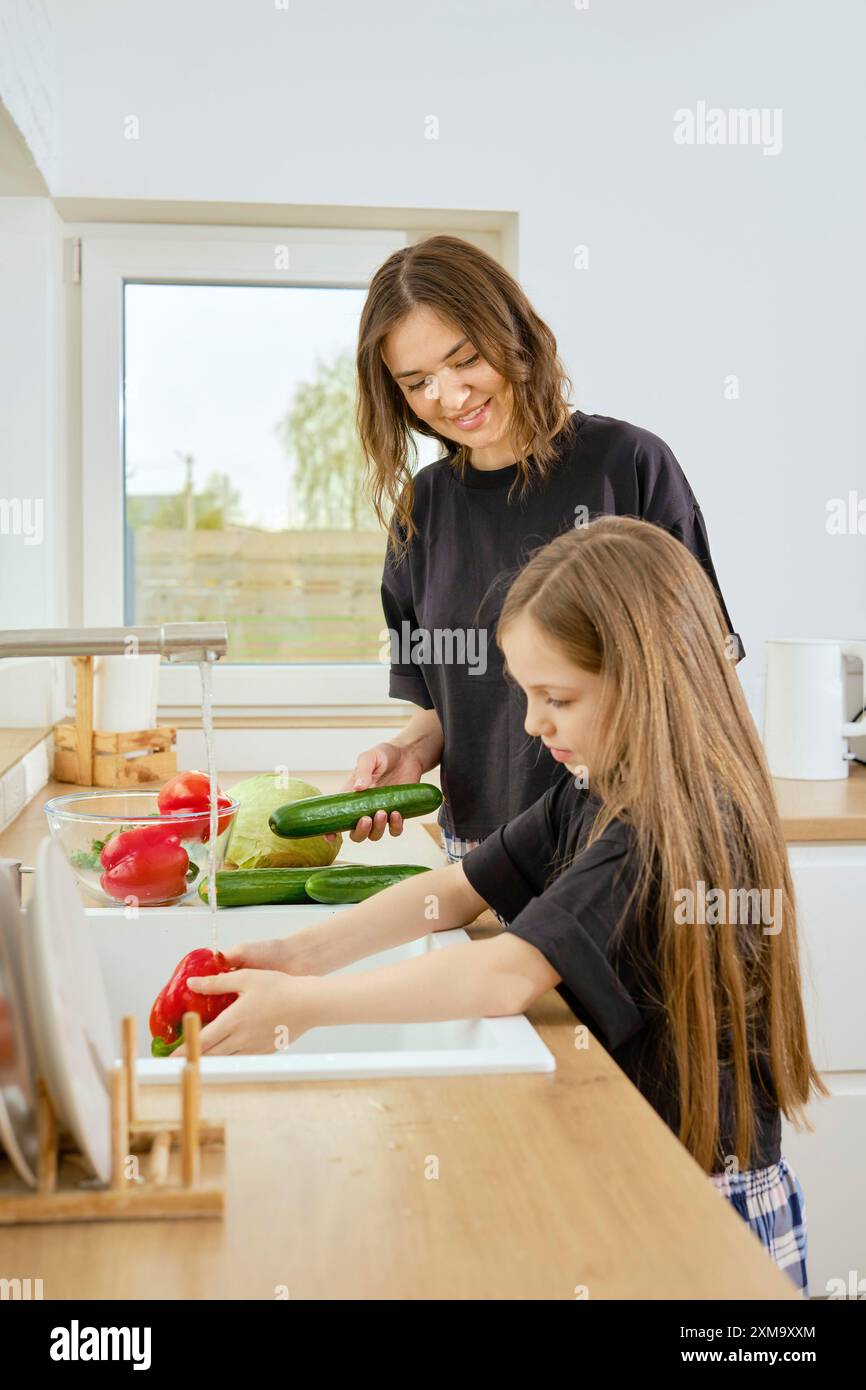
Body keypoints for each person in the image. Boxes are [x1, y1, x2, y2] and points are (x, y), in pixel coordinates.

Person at [185, 515, 825, 1296]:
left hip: (702, 1211)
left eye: (556, 696)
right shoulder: (592, 792)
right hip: (641, 1175)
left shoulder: (667, 830)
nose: (532, 722)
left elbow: (505, 977)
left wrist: (308, 1005)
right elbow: (454, 892)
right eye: (526, 693)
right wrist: (294, 955)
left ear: (648, 680)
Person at [334, 235, 743, 881]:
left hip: (630, 842)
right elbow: (446, 706)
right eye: (418, 383)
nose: (451, 395)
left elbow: (704, 678)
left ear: (512, 334)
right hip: (483, 855)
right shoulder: (424, 509)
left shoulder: (629, 465)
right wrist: (407, 752)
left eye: (465, 359)